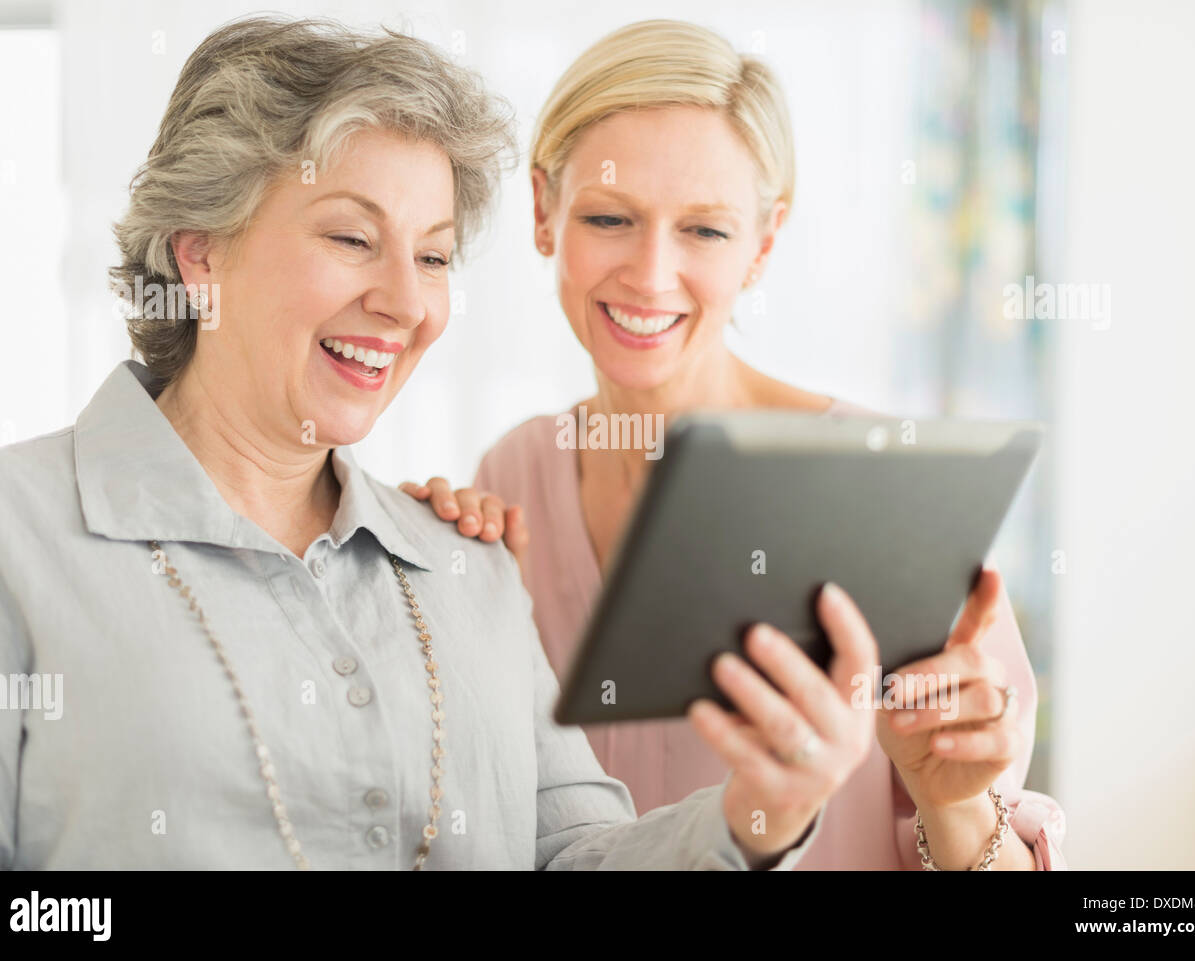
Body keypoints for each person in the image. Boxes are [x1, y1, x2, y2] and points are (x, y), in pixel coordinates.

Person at [0, 15, 891, 871]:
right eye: (352, 238)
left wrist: (762, 808)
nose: (406, 303)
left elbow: (572, 858)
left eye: (435, 255)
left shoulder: (469, 566)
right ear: (201, 249)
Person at [403, 19, 1066, 869]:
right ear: (543, 212)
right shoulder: (515, 472)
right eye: (610, 217)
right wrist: (431, 582)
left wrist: (959, 803)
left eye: (705, 231)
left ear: (763, 243)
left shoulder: (880, 481)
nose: (649, 274)